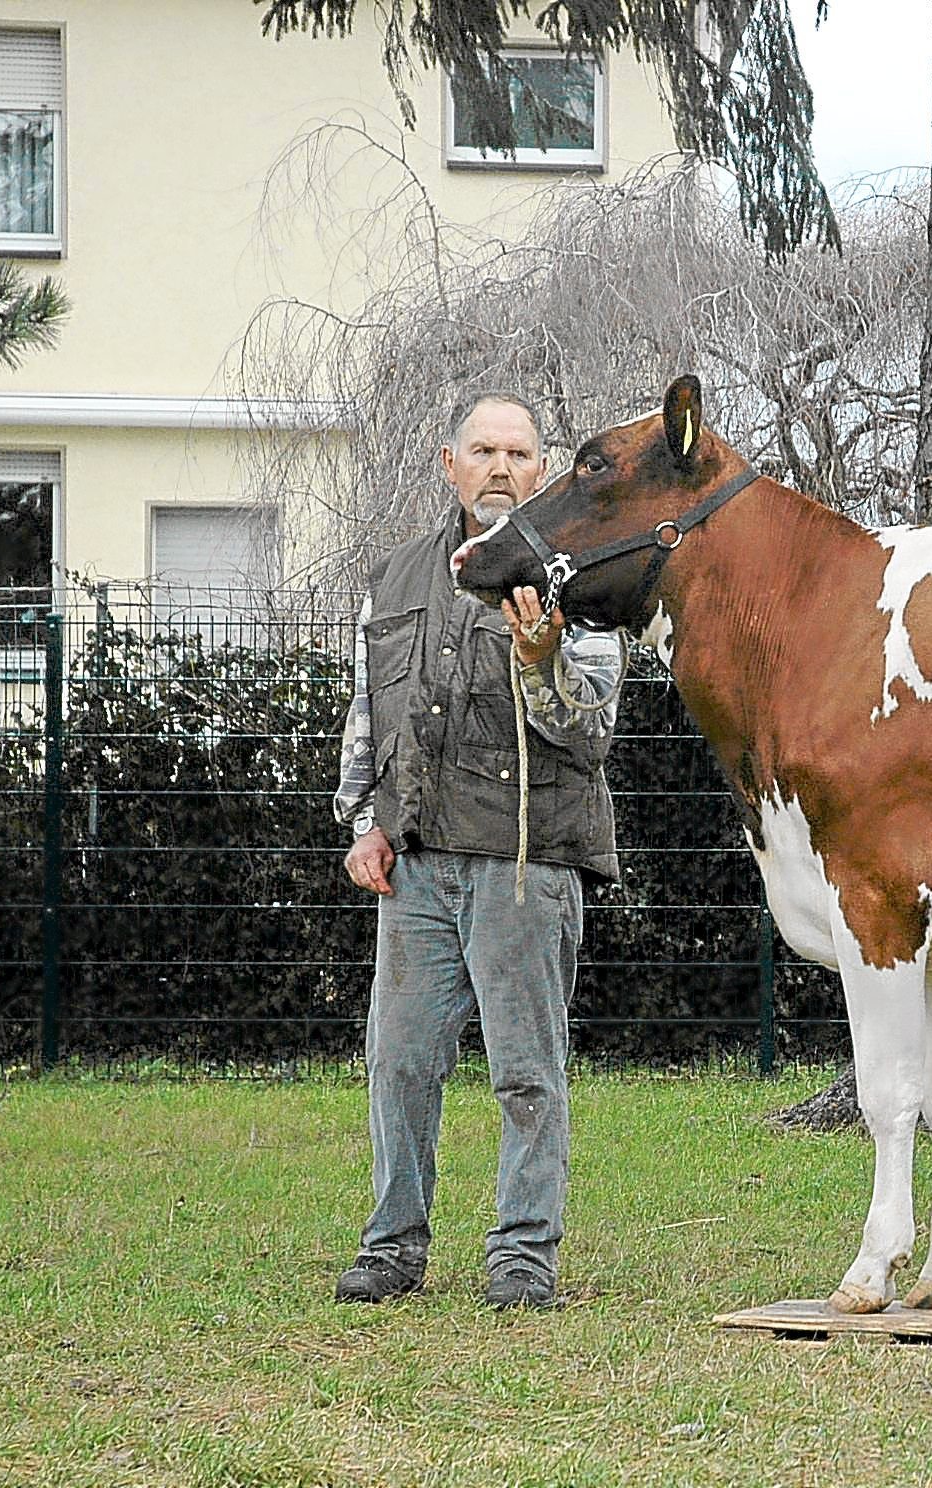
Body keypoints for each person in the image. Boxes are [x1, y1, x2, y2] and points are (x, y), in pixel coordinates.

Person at [331, 392, 623, 1310]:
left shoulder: (584, 581)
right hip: (415, 862)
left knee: (526, 1072)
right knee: (400, 1063)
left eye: (520, 454)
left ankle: (523, 1259)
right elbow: (370, 711)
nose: (502, 468)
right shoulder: (395, 574)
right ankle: (392, 1249)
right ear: (447, 463)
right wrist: (363, 823)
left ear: (544, 472)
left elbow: (592, 731)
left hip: (526, 866)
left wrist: (541, 658)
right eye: (484, 451)